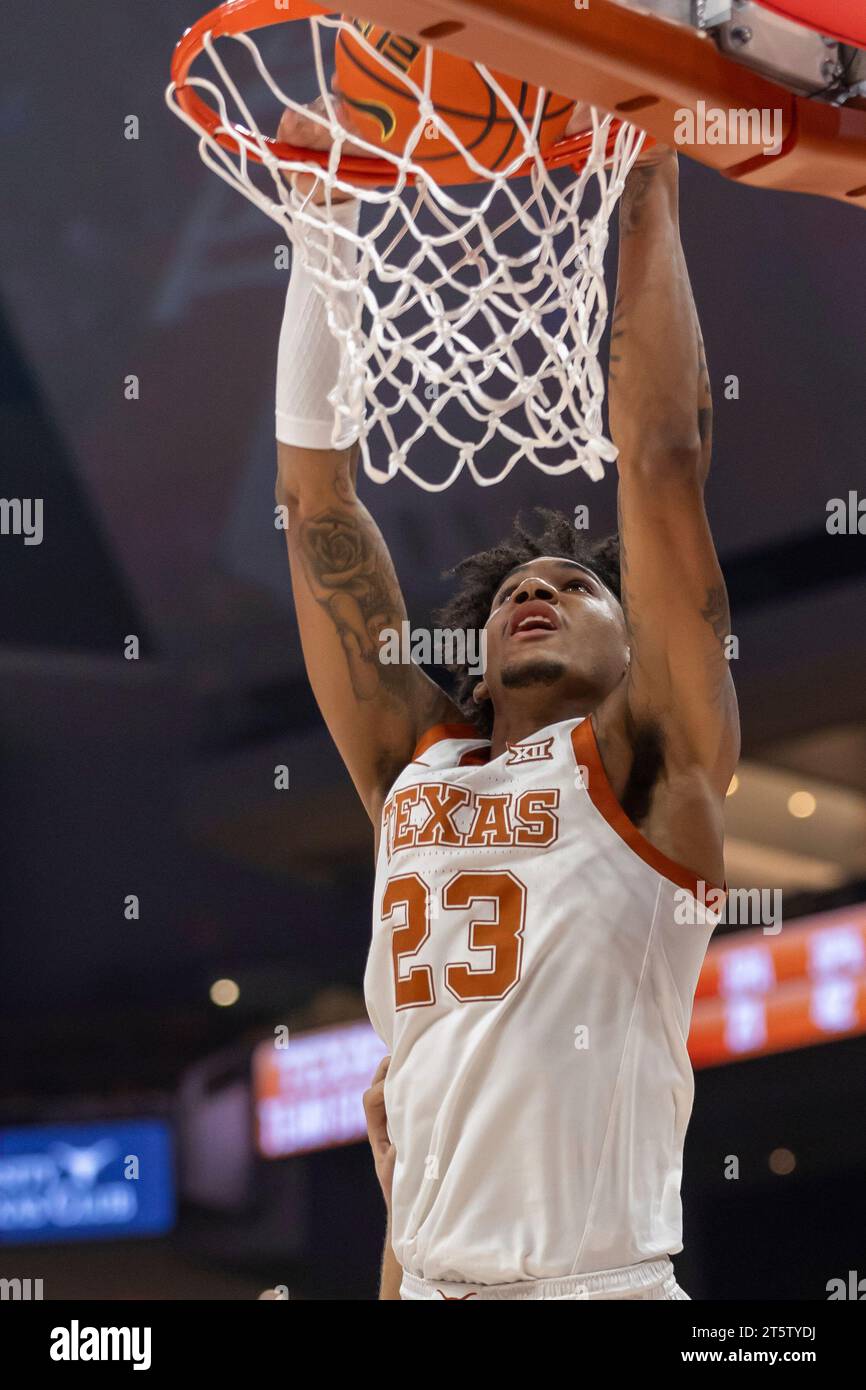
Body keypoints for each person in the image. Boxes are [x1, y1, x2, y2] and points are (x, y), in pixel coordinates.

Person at [274, 105, 739, 1300]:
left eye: (577, 585)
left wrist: (646, 178)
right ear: (474, 666)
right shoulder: (413, 766)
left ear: (639, 650)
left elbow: (659, 457)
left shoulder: (655, 762)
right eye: (515, 590)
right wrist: (323, 222)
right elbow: (318, 503)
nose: (535, 584)